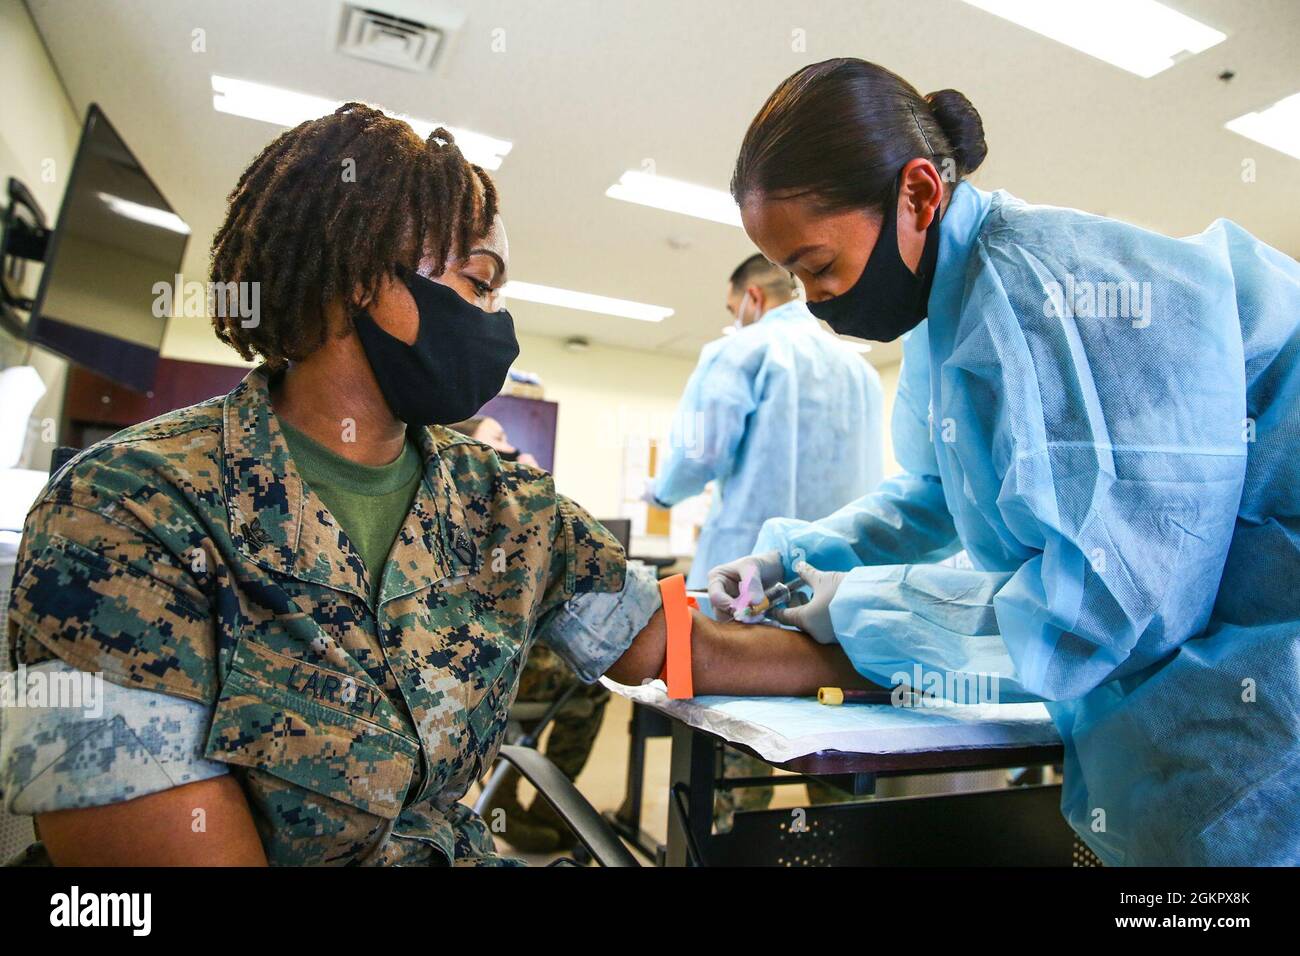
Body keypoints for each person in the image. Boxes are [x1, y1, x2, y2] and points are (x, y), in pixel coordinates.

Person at [0, 103, 877, 867]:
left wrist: (881, 660)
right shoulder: (128, 509)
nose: (495, 327)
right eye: (477, 284)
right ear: (358, 271)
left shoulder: (506, 507)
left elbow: (676, 649)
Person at [710, 58, 1300, 866]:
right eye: (792, 276)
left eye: (818, 265)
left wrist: (861, 607)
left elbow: (1101, 611)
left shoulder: (1056, 300)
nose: (814, 299)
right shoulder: (946, 320)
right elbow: (933, 493)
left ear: (918, 194)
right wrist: (792, 559)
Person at [648, 254, 884, 589]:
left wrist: (661, 493)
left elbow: (696, 450)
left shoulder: (734, 351)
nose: (736, 318)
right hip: (839, 577)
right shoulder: (861, 370)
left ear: (753, 297)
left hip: (748, 566)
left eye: (733, 309)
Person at [448, 416, 607, 853]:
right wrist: (537, 486)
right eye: (498, 439)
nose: (511, 446)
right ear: (469, 447)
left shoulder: (442, 499)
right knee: (590, 681)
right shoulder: (496, 499)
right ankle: (549, 803)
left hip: (465, 662)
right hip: (491, 662)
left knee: (548, 682)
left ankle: (513, 794)